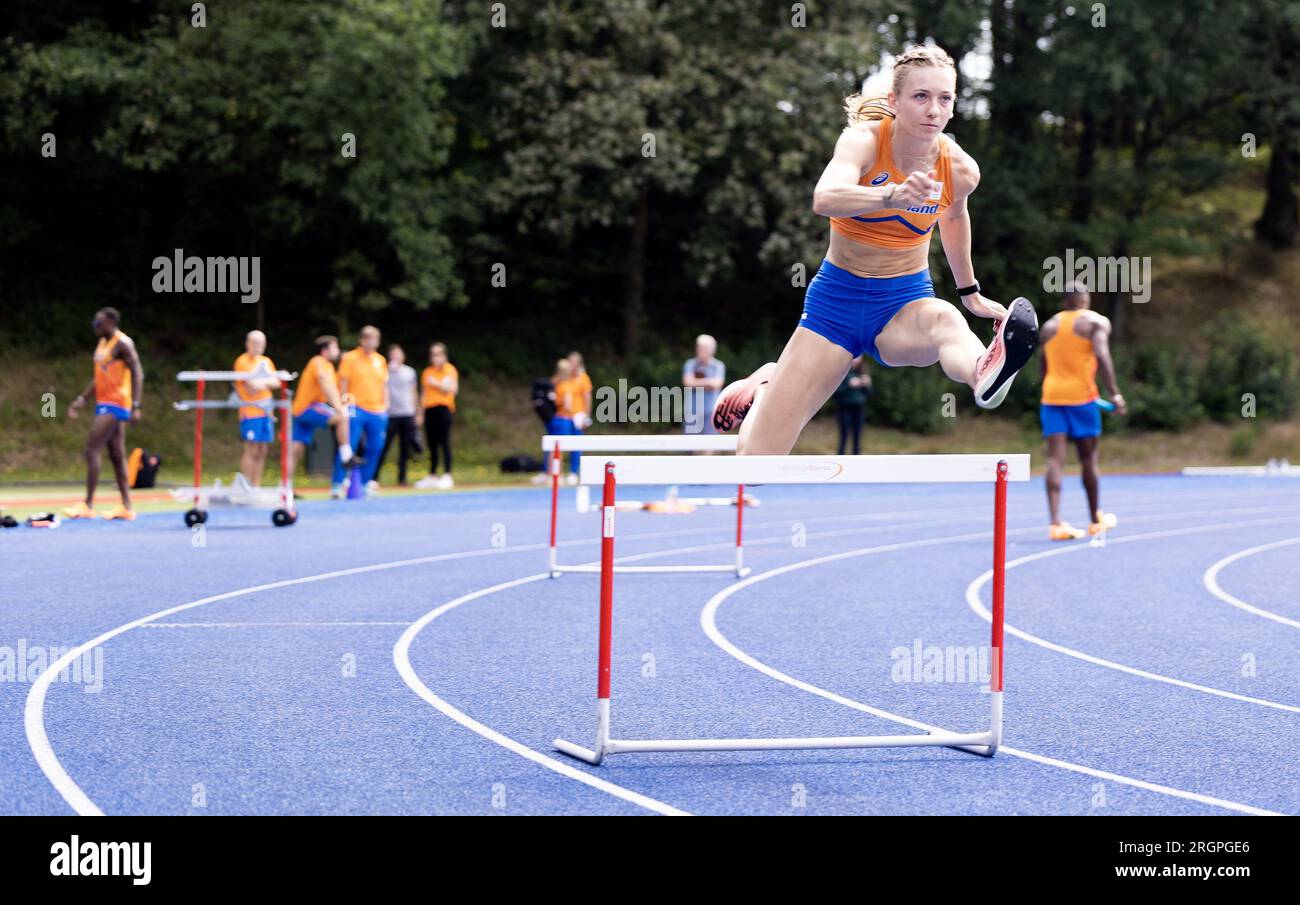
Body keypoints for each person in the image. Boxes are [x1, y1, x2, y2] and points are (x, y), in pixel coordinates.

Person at [711, 46, 1038, 456]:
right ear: (894, 102)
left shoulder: (959, 169)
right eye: (920, 97)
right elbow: (825, 197)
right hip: (835, 307)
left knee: (945, 320)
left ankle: (985, 373)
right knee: (755, 464)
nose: (933, 110)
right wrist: (891, 196)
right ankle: (765, 387)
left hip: (902, 304)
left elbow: (953, 219)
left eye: (945, 99)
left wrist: (969, 291)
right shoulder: (863, 141)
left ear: (953, 107)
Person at [1039, 283, 1126, 540]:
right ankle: (1093, 520)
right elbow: (1102, 355)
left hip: (1052, 397)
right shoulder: (1095, 322)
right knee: (1088, 460)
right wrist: (1115, 394)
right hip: (1082, 398)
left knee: (1055, 460)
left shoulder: (1049, 327)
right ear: (1085, 299)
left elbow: (1042, 365)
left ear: (1065, 301)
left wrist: (1048, 389)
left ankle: (1055, 524)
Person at [64, 307, 144, 521]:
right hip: (103, 401)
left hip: (117, 403)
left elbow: (138, 373)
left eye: (98, 323)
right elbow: (99, 377)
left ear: (110, 322)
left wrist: (136, 405)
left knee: (92, 448)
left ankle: (88, 504)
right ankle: (127, 507)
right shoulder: (102, 344)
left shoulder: (123, 343)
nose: (95, 326)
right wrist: (82, 399)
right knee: (117, 456)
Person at [290, 335, 359, 478]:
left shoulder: (328, 366)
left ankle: (285, 487)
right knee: (342, 417)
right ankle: (346, 456)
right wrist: (339, 408)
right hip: (308, 407)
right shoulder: (319, 362)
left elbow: (333, 389)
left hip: (300, 409)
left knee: (296, 449)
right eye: (335, 347)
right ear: (325, 350)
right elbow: (326, 384)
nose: (338, 350)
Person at [335, 326, 389, 498]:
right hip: (355, 408)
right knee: (347, 445)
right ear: (361, 340)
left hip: (377, 410)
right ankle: (338, 483)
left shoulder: (380, 360)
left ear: (378, 341)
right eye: (366, 338)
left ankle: (365, 482)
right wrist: (345, 407)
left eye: (373, 338)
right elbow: (343, 383)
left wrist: (386, 406)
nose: (370, 341)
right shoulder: (350, 358)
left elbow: (384, 385)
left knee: (376, 447)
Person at [233, 330, 281, 487]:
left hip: (266, 411)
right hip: (250, 411)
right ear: (247, 344)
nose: (258, 347)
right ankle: (246, 484)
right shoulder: (242, 361)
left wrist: (261, 383)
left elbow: (277, 382)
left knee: (262, 449)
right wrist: (265, 382)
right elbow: (249, 387)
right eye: (254, 343)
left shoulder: (266, 361)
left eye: (261, 343)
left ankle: (256, 485)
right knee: (251, 448)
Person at [416, 342, 458, 489]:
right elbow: (423, 394)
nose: (435, 357)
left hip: (443, 409)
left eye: (438, 354)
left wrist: (436, 384)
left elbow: (452, 388)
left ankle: (447, 474)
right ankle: (432, 475)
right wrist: (420, 412)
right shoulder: (427, 372)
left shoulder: (449, 370)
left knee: (444, 442)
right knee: (431, 444)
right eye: (433, 354)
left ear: (444, 356)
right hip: (429, 410)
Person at [378, 344, 419, 486]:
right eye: (393, 354)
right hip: (391, 414)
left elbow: (414, 392)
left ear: (403, 356)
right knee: (383, 446)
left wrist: (417, 412)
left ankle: (402, 478)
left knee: (405, 448)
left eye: (398, 354)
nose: (396, 357)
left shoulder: (410, 372)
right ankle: (374, 477)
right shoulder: (384, 371)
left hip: (407, 413)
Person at [682, 334, 725, 439]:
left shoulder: (718, 365)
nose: (700, 350)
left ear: (712, 350)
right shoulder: (690, 364)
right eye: (699, 347)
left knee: (710, 443)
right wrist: (709, 382)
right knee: (689, 445)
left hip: (712, 411)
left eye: (704, 348)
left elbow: (717, 384)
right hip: (692, 411)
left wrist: (696, 382)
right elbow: (688, 382)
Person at [549, 357, 582, 484]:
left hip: (557, 417)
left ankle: (554, 473)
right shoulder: (567, 385)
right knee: (562, 448)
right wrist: (576, 415)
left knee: (556, 448)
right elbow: (568, 405)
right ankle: (560, 474)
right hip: (566, 419)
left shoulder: (557, 383)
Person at [833, 357, 872, 455]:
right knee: (844, 435)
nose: (856, 361)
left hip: (859, 409)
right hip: (844, 408)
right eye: (855, 358)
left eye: (858, 359)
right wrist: (849, 385)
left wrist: (867, 384)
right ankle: (841, 457)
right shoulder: (842, 373)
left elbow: (868, 394)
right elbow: (836, 392)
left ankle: (857, 458)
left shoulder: (862, 373)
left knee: (857, 436)